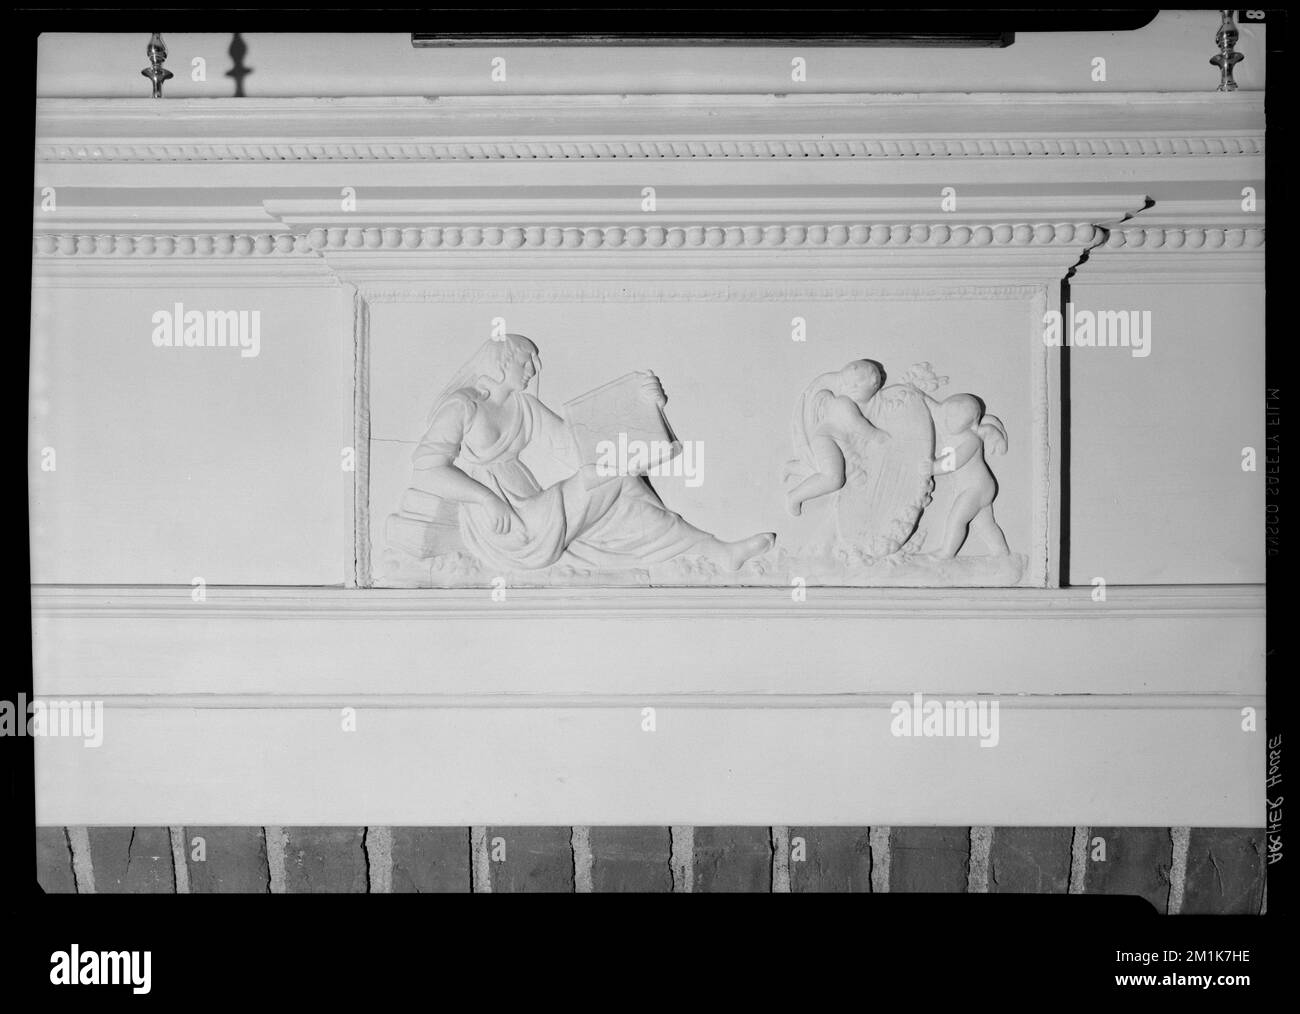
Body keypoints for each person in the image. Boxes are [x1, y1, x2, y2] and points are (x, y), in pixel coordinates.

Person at [407, 334, 774, 573]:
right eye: (527, 362)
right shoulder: (464, 406)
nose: (534, 371)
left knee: (621, 481)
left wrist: (649, 406)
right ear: (503, 363)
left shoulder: (524, 407)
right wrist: (488, 501)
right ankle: (712, 550)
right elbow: (427, 469)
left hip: (529, 504)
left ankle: (711, 550)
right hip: (504, 524)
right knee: (616, 477)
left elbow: (578, 448)